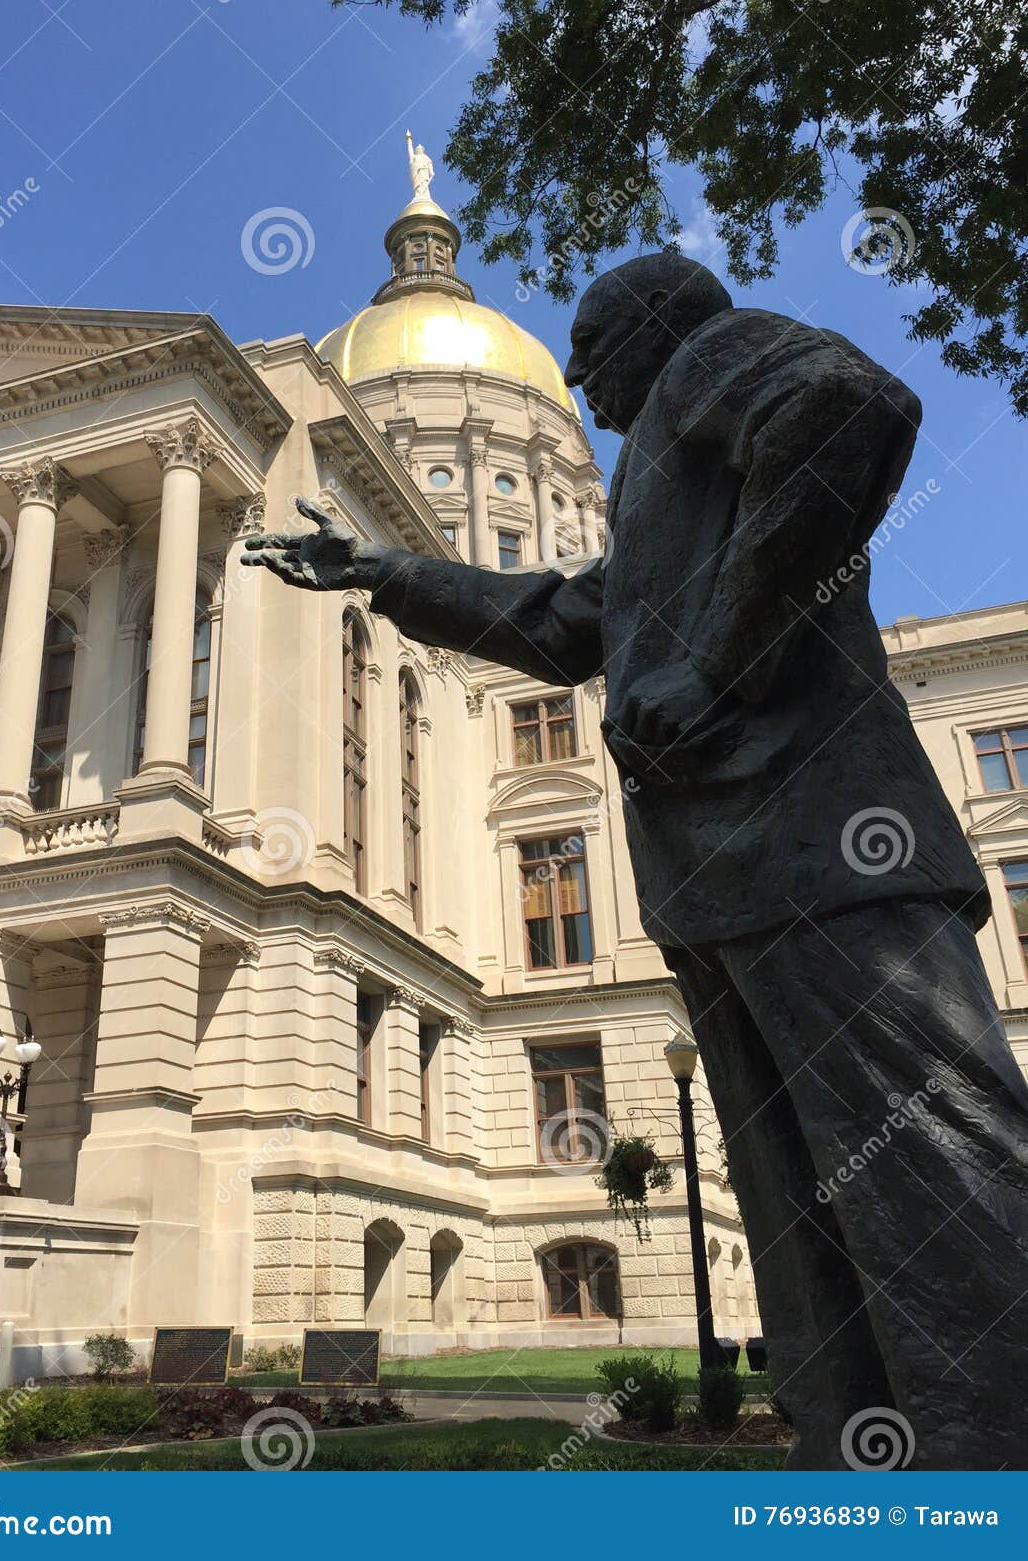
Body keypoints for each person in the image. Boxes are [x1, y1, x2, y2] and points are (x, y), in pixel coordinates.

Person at [244, 251, 1028, 1469]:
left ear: (656, 331)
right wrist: (382, 573)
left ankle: (990, 1457)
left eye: (593, 352)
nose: (582, 383)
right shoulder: (660, 496)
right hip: (727, 888)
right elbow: (557, 620)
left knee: (936, 1165)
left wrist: (714, 663)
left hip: (814, 847)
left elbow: (849, 410)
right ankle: (868, 1469)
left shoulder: (704, 367)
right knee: (801, 1202)